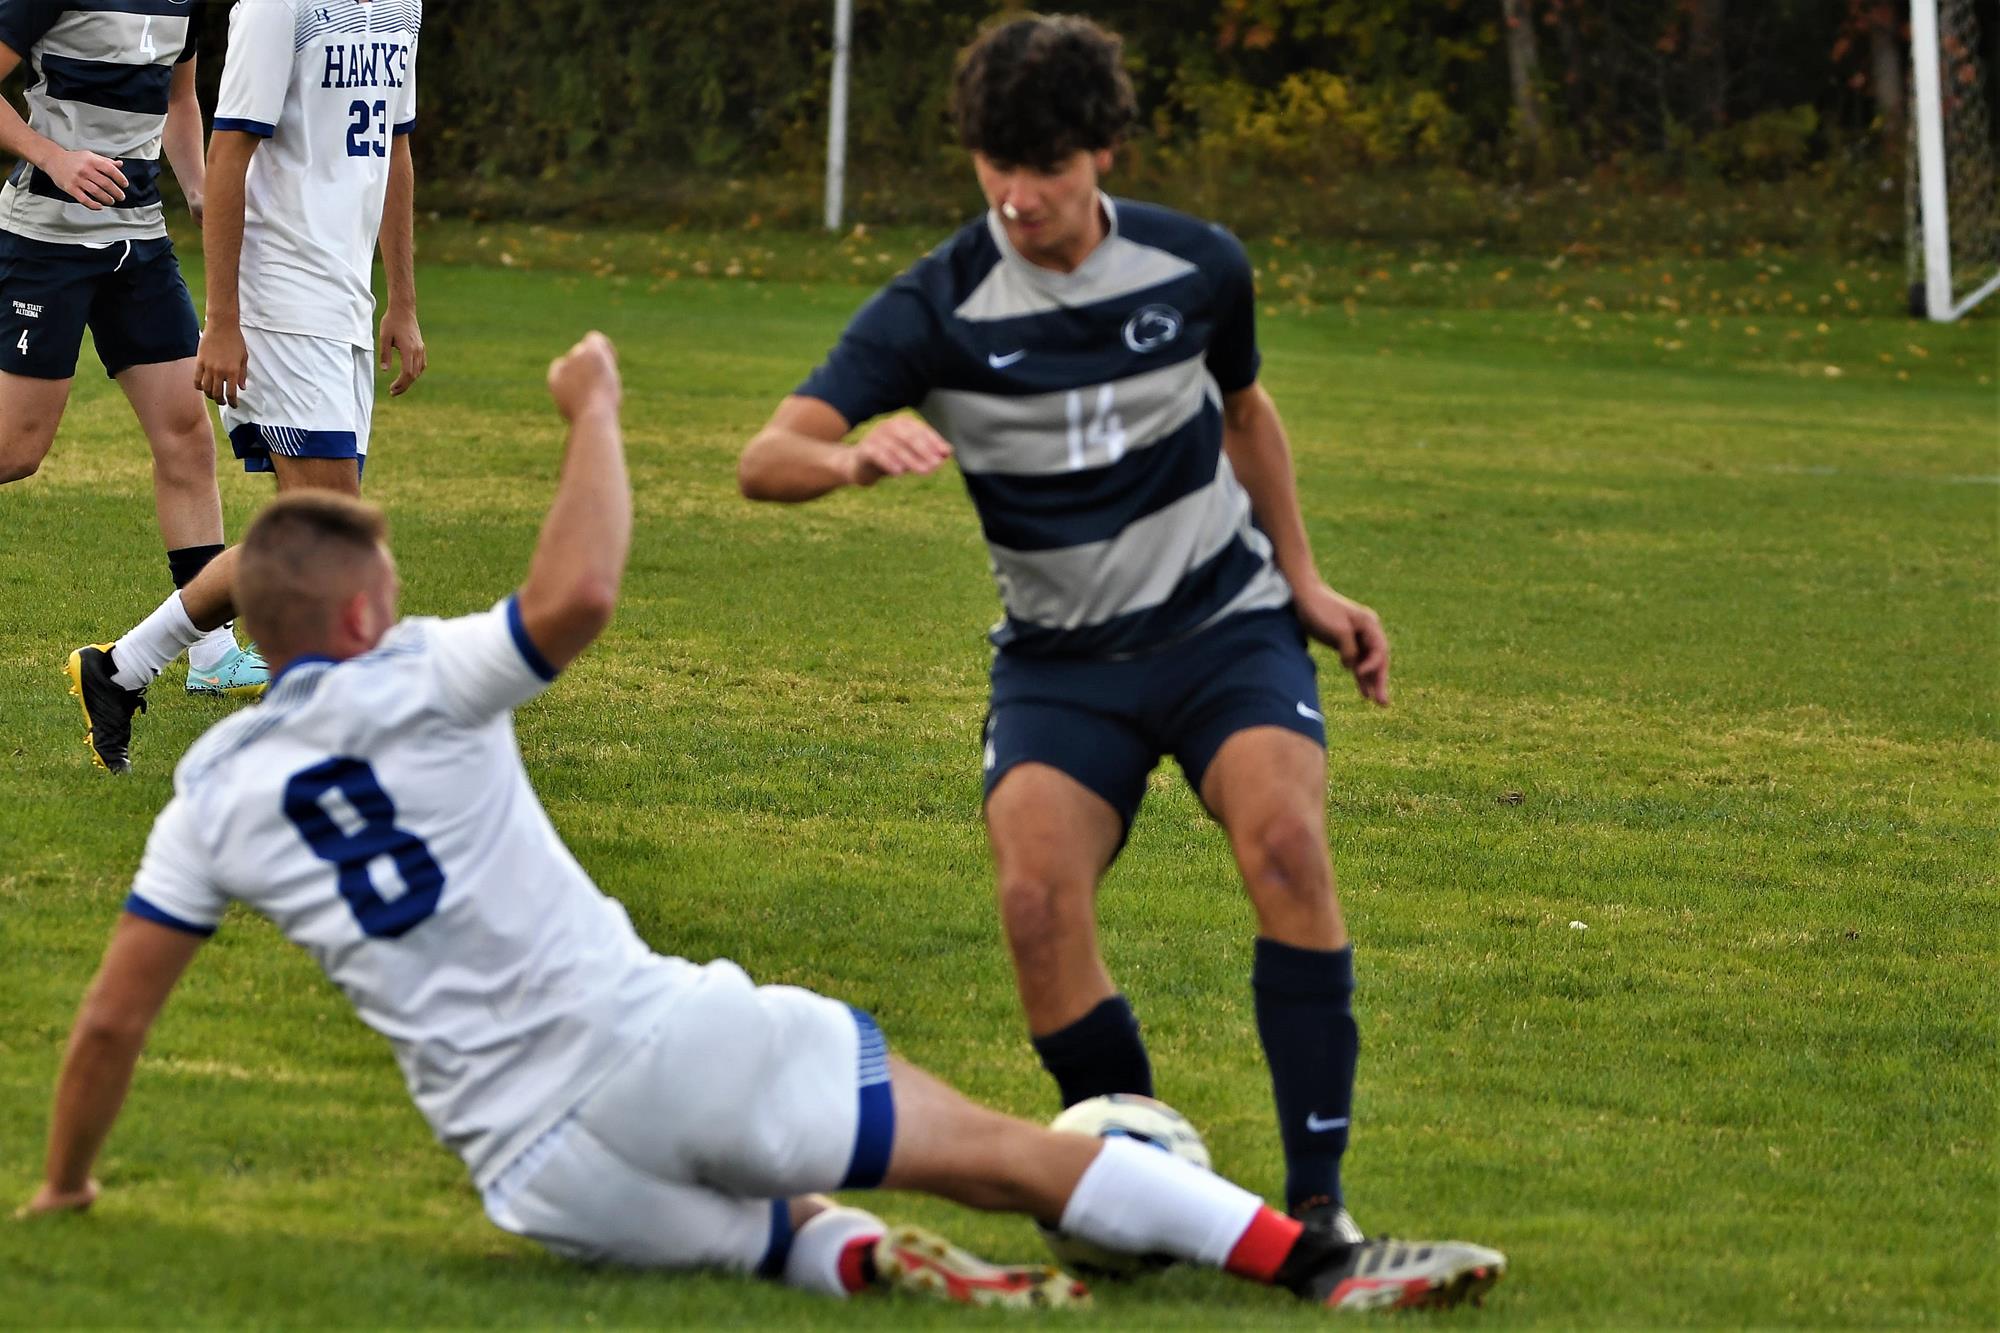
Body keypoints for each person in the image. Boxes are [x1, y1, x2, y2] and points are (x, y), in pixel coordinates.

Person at [20, 333, 1504, 1314]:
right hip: (667, 1047)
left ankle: (864, 1255)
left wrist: (68, 1183)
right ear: (359, 615)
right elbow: (577, 598)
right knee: (1008, 1152)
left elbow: (108, 1028)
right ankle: (1318, 1263)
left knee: (779, 1231)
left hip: (534, 1178)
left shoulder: (209, 794)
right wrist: (595, 411)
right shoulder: (414, 677)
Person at [738, 15, 1398, 1242]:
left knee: (1286, 849)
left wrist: (1303, 581)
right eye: (994, 162)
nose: (1015, 193)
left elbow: (1247, 417)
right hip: (1058, 663)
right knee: (1037, 906)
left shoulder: (1197, 267)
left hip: (1222, 627)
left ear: (1102, 151)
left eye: (1043, 165)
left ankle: (1321, 1206)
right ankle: (1142, 1182)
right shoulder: (937, 304)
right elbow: (764, 456)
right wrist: (847, 463)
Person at [65, 0, 428, 771]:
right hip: (283, 304)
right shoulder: (274, 6)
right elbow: (228, 156)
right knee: (334, 535)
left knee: (304, 537)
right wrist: (223, 320)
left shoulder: (402, 5)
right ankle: (317, 737)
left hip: (346, 308)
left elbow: (394, 149)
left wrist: (402, 300)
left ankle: (119, 668)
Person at [0, 0, 265, 700]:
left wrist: (202, 191)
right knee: (15, 451)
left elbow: (180, 100)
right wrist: (53, 156)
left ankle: (211, 650)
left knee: (187, 436)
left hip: (139, 244)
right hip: (46, 243)